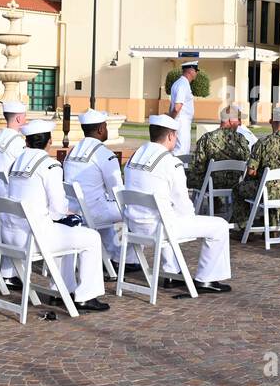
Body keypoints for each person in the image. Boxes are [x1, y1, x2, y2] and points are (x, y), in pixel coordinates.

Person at [2, 119, 109, 312]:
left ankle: (61, 291)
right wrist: (67, 213)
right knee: (91, 237)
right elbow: (58, 208)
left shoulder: (16, 162)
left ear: (27, 142)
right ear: (48, 141)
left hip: (11, 236)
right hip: (34, 238)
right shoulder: (49, 166)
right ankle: (86, 295)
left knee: (66, 231)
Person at [123, 115, 232, 293]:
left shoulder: (133, 158)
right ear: (170, 136)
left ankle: (172, 273)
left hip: (134, 226)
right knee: (219, 226)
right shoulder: (170, 162)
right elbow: (182, 202)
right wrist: (191, 220)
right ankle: (207, 279)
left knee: (166, 214)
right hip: (159, 229)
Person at [64, 108, 134, 260]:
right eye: (106, 126)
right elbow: (117, 192)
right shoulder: (104, 154)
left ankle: (108, 254)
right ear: (101, 129)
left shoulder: (72, 151)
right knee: (130, 211)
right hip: (92, 212)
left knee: (108, 207)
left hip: (74, 209)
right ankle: (126, 259)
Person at [230, 106, 280, 230]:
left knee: (238, 189)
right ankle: (273, 227)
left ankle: (243, 227)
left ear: (271, 121)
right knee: (270, 185)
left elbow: (251, 171)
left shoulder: (263, 143)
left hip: (267, 192)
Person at [185, 106, 251, 213]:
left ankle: (183, 211)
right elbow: (247, 162)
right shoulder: (241, 140)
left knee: (183, 174)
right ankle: (217, 204)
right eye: (238, 120)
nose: (240, 123)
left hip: (210, 184)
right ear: (230, 120)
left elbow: (198, 167)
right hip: (236, 184)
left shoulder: (207, 139)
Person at [0, 101, 27, 181]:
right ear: (19, 119)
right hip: (9, 189)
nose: (26, 120)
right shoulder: (17, 141)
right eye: (25, 117)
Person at [169, 61, 199, 156]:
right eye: (195, 70)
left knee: (180, 149)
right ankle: (180, 170)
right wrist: (172, 120)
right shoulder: (183, 84)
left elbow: (173, 106)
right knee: (182, 150)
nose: (196, 73)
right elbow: (177, 107)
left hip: (181, 121)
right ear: (190, 70)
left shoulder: (179, 83)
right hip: (181, 121)